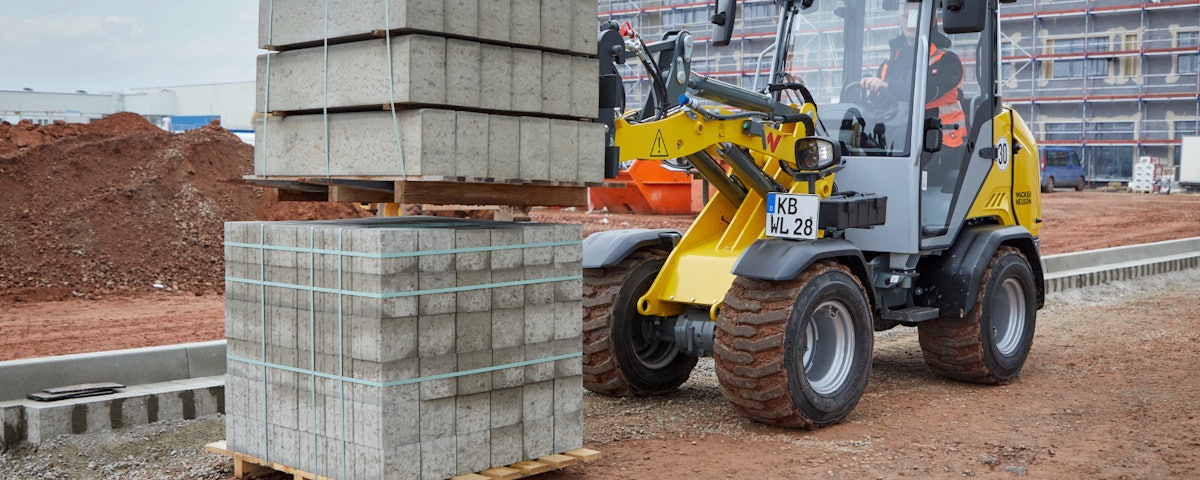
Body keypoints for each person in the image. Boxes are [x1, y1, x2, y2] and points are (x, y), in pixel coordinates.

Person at [860, 5, 966, 150]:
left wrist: (888, 85)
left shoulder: (947, 61)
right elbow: (879, 99)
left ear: (932, 21)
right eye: (906, 17)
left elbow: (928, 91)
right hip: (896, 139)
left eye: (915, 16)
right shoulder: (889, 63)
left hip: (940, 142)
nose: (910, 22)